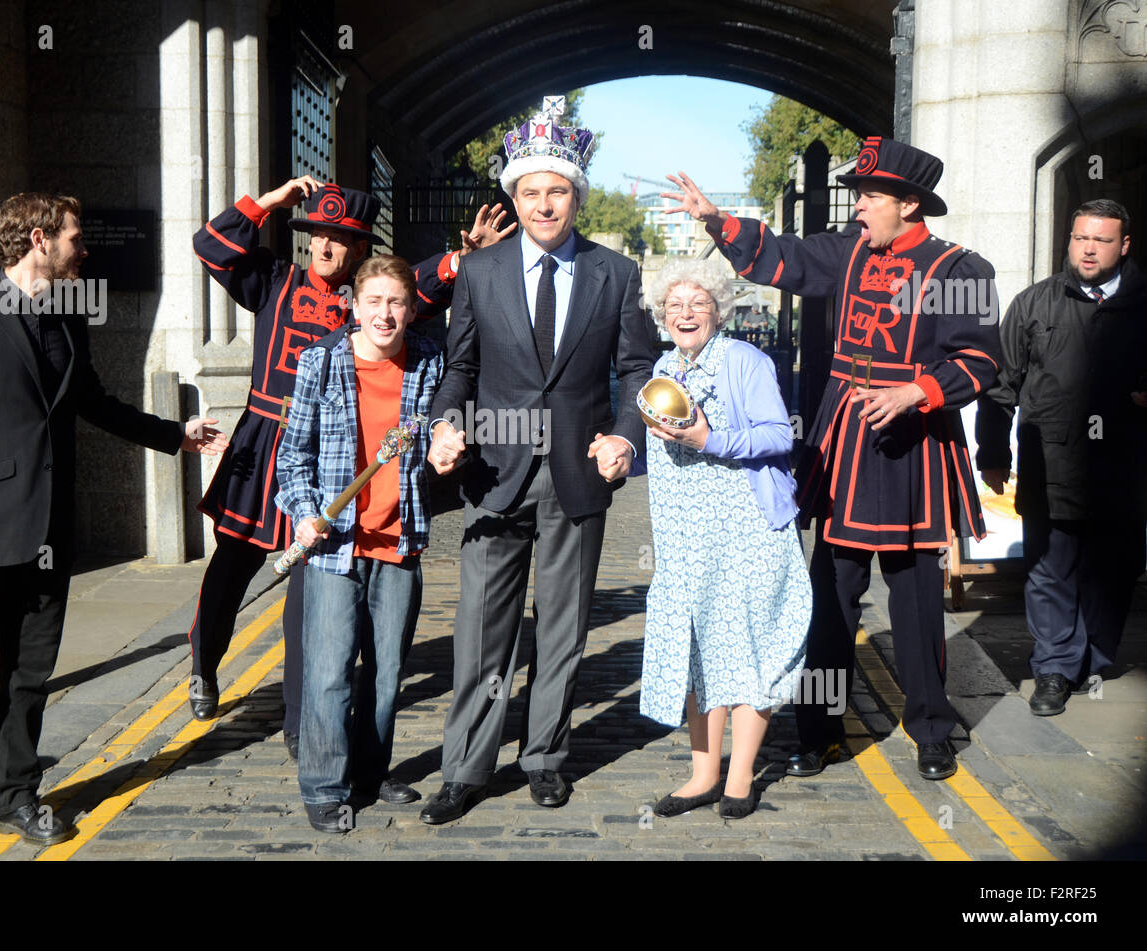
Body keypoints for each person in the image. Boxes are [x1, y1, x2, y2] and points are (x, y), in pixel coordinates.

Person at [0, 193, 228, 861]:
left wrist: (173, 435)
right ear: (40, 239)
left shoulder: (69, 318)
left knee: (29, 677)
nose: (84, 248)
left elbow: (93, 401)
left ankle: (14, 795)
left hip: (46, 534)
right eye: (75, 237)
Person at [663, 136, 1002, 782]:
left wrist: (914, 392)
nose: (859, 208)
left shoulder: (961, 269)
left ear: (908, 203)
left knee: (916, 595)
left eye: (870, 197)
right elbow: (783, 257)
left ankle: (932, 728)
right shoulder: (848, 251)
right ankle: (820, 733)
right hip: (845, 438)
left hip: (915, 443)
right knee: (831, 592)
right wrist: (717, 220)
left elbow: (982, 361)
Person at [188, 180, 512, 754]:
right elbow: (210, 246)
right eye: (317, 234)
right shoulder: (275, 280)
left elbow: (420, 283)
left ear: (360, 249)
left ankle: (300, 719)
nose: (324, 246)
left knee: (306, 591)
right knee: (232, 562)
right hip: (267, 439)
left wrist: (465, 257)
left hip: (331, 456)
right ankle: (203, 667)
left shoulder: (369, 300)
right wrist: (270, 202)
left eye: (338, 238)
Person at [421, 96, 655, 824]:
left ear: (576, 197)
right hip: (495, 474)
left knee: (562, 628)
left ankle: (545, 757)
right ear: (514, 198)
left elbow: (637, 368)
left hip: (577, 475)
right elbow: (459, 369)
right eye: (530, 192)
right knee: (481, 631)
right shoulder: (480, 272)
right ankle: (464, 767)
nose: (544, 204)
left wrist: (626, 436)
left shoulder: (616, 273)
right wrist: (443, 426)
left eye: (557, 191)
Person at [637, 259, 811, 820]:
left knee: (751, 645)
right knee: (697, 645)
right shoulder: (664, 367)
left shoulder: (745, 361)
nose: (685, 313)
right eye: (675, 305)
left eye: (699, 303)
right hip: (686, 534)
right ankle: (703, 774)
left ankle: (739, 779)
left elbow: (778, 435)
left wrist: (711, 438)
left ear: (719, 312)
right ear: (662, 315)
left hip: (748, 529)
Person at [276, 255, 442, 833]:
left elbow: (441, 436)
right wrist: (304, 513)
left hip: (400, 540)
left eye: (396, 302)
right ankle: (325, 787)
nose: (385, 314)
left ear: (412, 310)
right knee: (328, 672)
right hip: (335, 546)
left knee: (386, 673)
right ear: (354, 305)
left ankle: (371, 773)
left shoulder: (429, 362)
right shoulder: (320, 362)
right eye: (374, 301)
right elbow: (292, 456)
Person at [977, 198, 1147, 716]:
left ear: (1124, 245)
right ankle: (1053, 668)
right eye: (1080, 238)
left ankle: (1090, 658)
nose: (1088, 249)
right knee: (1049, 570)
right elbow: (1000, 384)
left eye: (1101, 240)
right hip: (1050, 463)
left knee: (1116, 570)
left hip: (1124, 469)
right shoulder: (1035, 303)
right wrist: (992, 451)